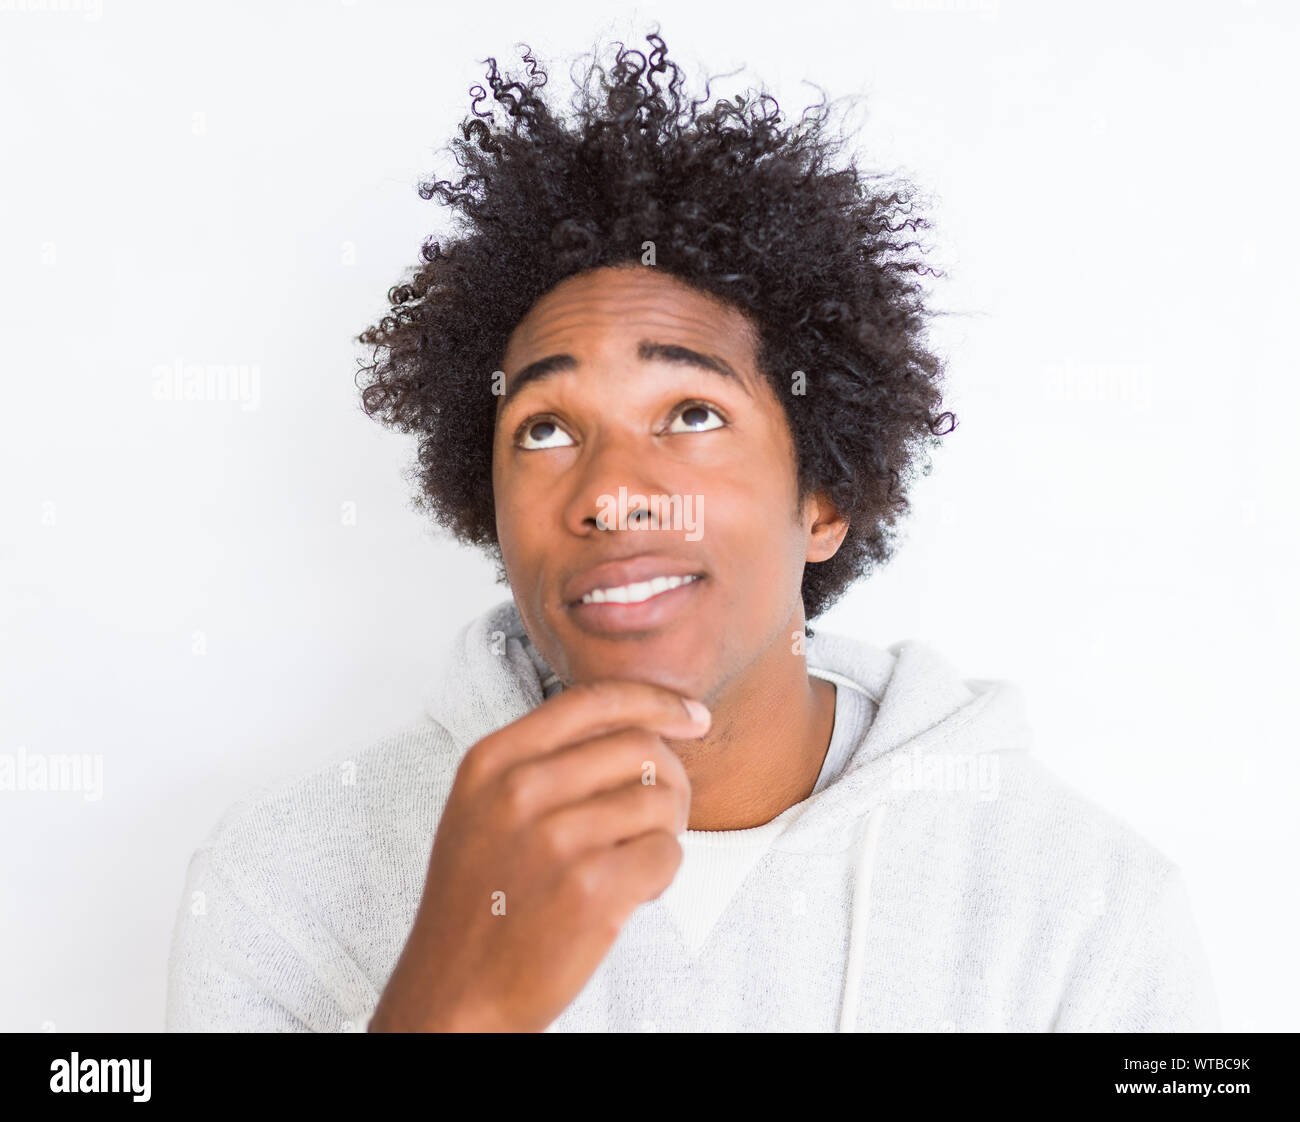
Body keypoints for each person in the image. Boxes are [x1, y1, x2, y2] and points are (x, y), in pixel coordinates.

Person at [166, 31, 1219, 1032]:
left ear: (825, 500)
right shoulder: (282, 884)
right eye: (544, 429)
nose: (613, 492)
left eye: (693, 414)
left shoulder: (1082, 908)